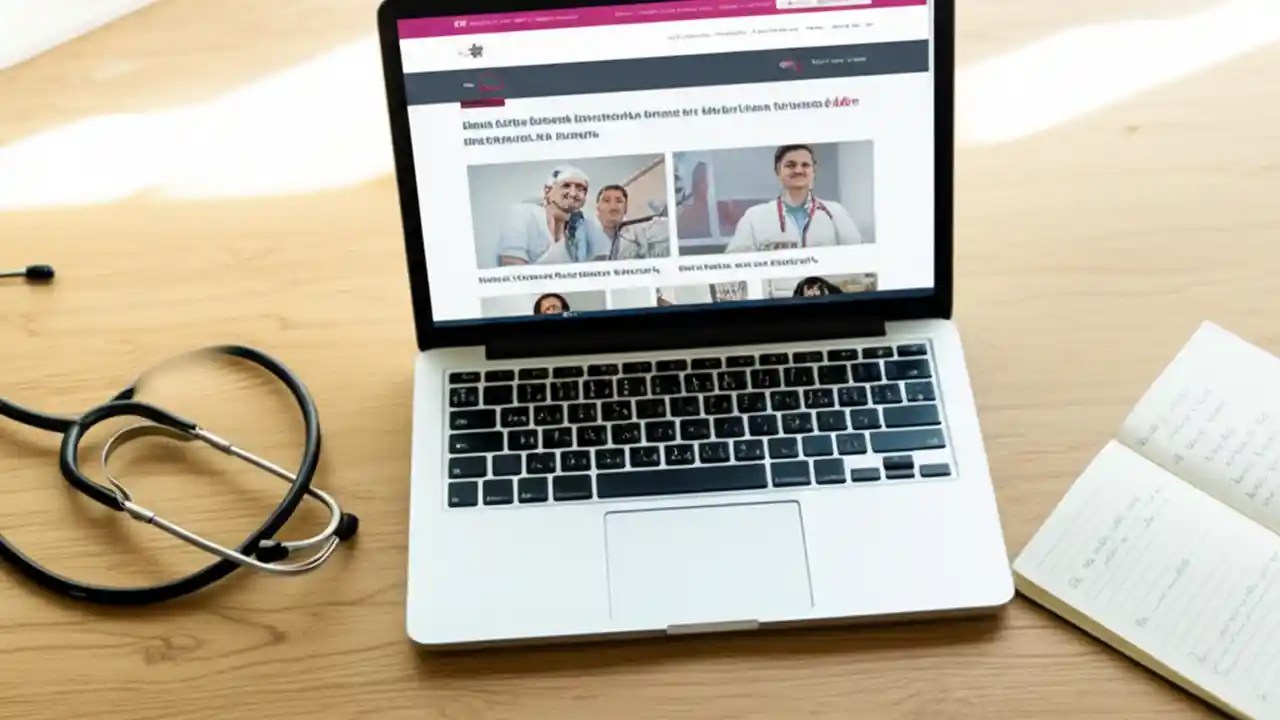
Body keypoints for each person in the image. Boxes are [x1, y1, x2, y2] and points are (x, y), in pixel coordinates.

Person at [725, 144, 866, 253]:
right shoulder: (754, 217)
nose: (798, 170)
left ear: (813, 171)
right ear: (777, 171)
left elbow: (857, 255)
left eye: (805, 165)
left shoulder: (836, 212)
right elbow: (736, 262)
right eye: (790, 165)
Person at [495, 165, 612, 266]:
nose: (573, 193)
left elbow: (604, 259)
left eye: (581, 189)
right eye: (566, 186)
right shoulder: (522, 213)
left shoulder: (586, 224)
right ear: (547, 191)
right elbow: (512, 265)